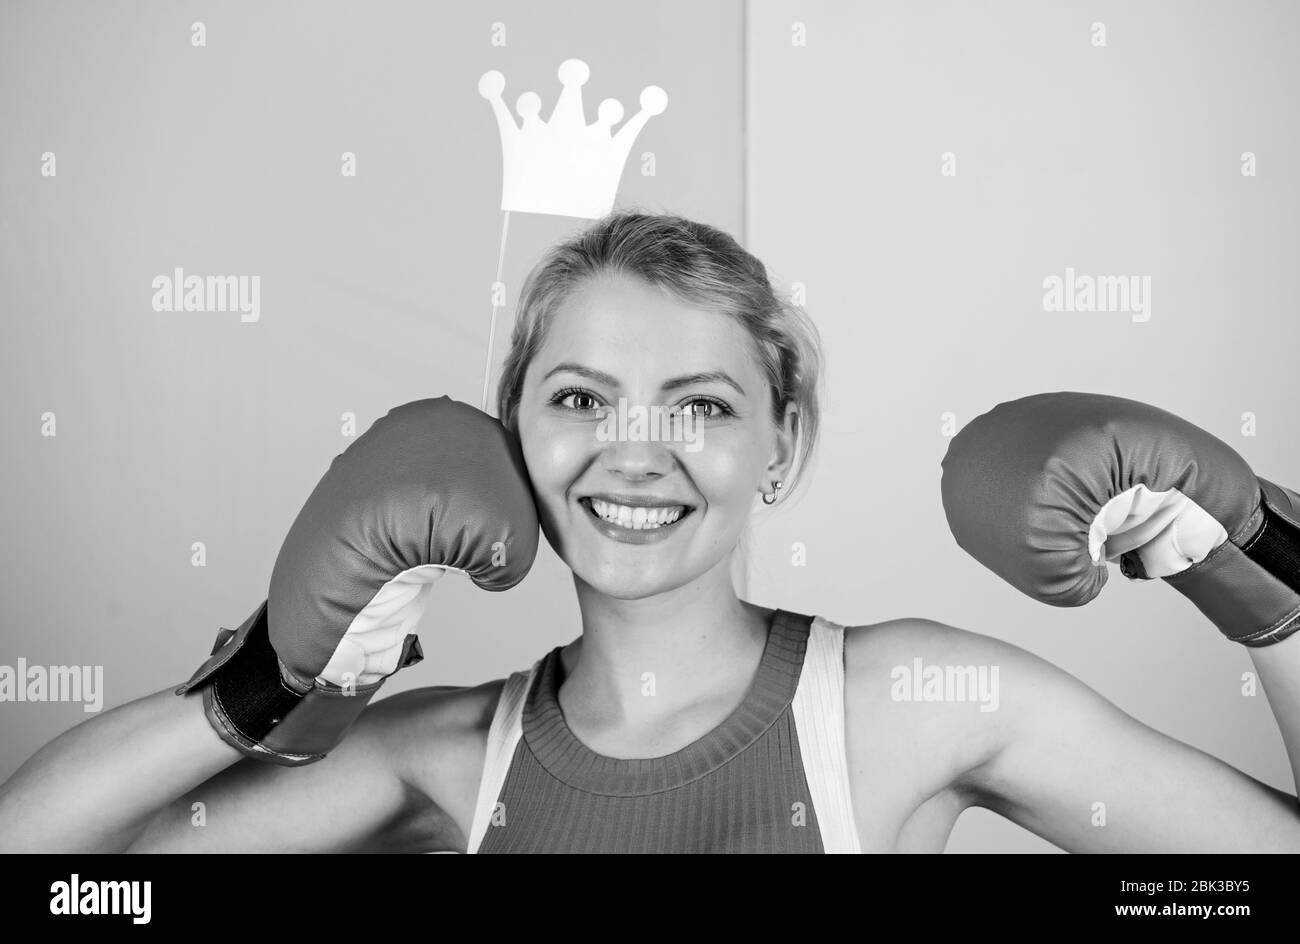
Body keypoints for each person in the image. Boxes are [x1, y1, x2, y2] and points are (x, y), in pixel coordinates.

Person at [1, 211, 1298, 853]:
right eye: (579, 398)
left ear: (778, 447)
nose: (636, 451)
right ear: (514, 429)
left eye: (702, 404)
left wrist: (1255, 566)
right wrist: (264, 686)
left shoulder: (914, 702)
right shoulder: (445, 752)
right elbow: (52, 869)